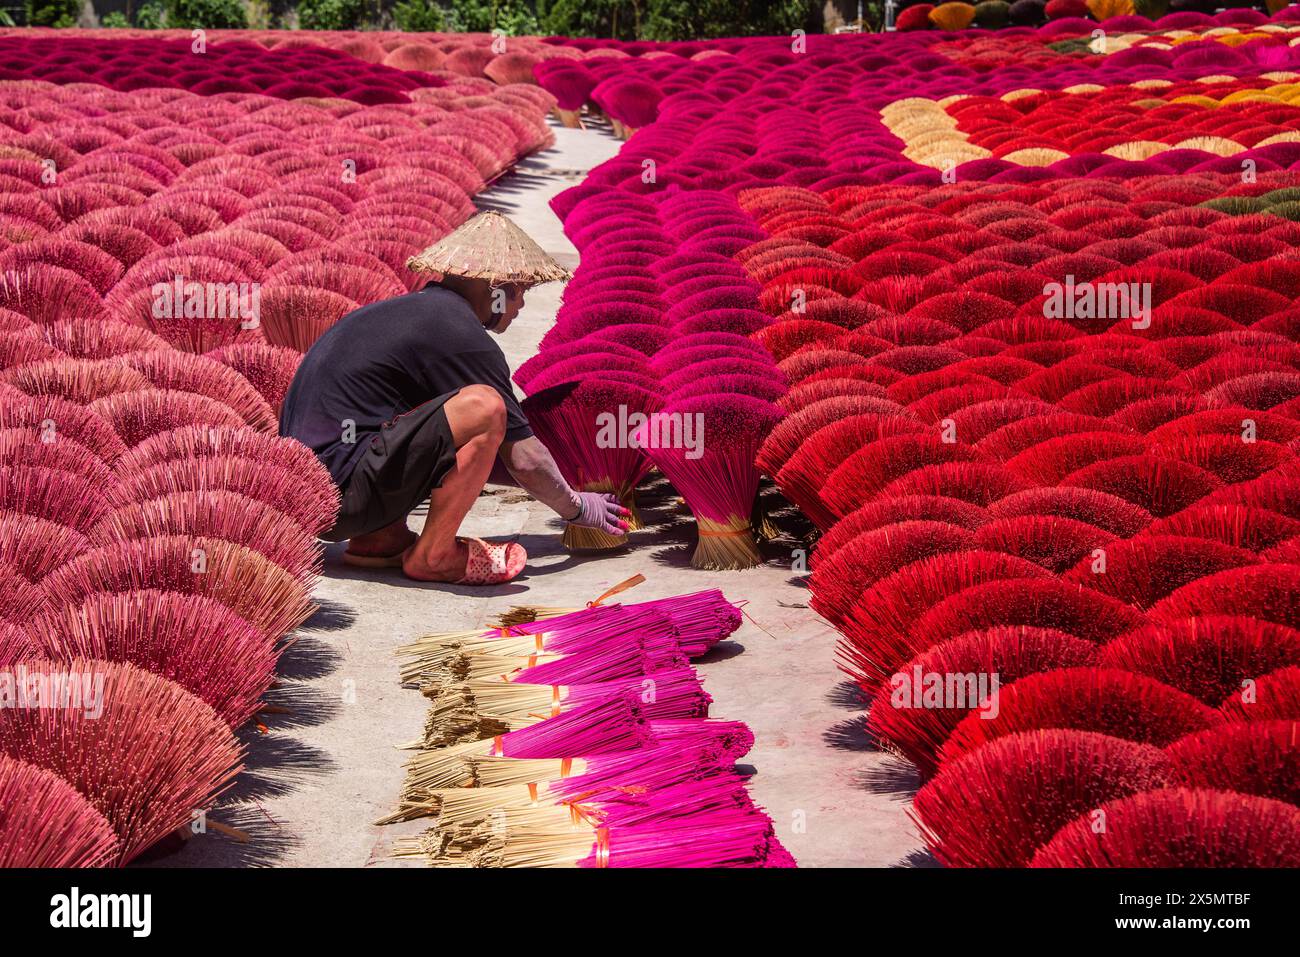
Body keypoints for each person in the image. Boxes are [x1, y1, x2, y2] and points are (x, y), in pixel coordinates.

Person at [279, 211, 628, 586]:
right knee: (485, 407)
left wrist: (560, 475)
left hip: (310, 497)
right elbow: (523, 457)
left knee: (421, 414)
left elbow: (451, 447)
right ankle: (435, 555)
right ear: (495, 289)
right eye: (520, 292)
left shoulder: (415, 314)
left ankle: (378, 541)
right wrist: (575, 507)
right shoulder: (463, 338)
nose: (521, 306)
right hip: (344, 498)